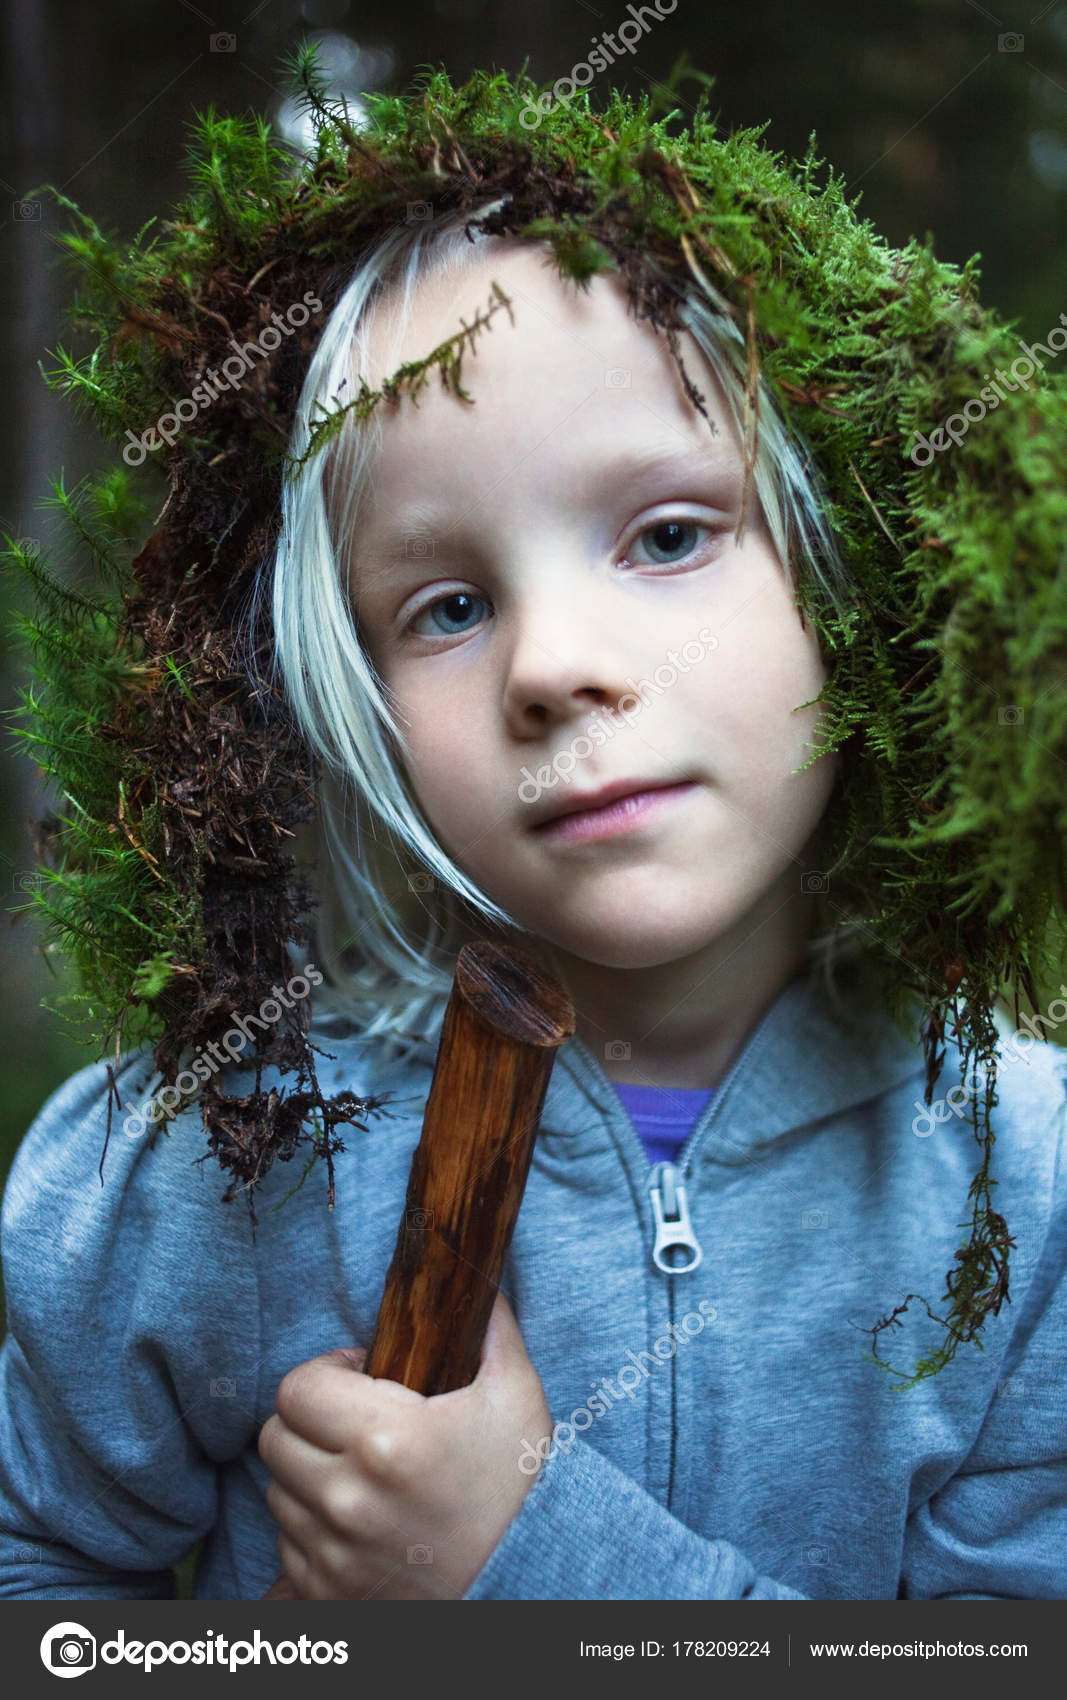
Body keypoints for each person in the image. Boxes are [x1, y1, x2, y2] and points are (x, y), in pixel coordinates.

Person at [1, 193, 1065, 1602]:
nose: (553, 664)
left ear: (858, 572)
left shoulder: (1025, 1192)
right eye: (444, 607)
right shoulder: (223, 1156)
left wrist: (524, 1565)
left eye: (669, 535)